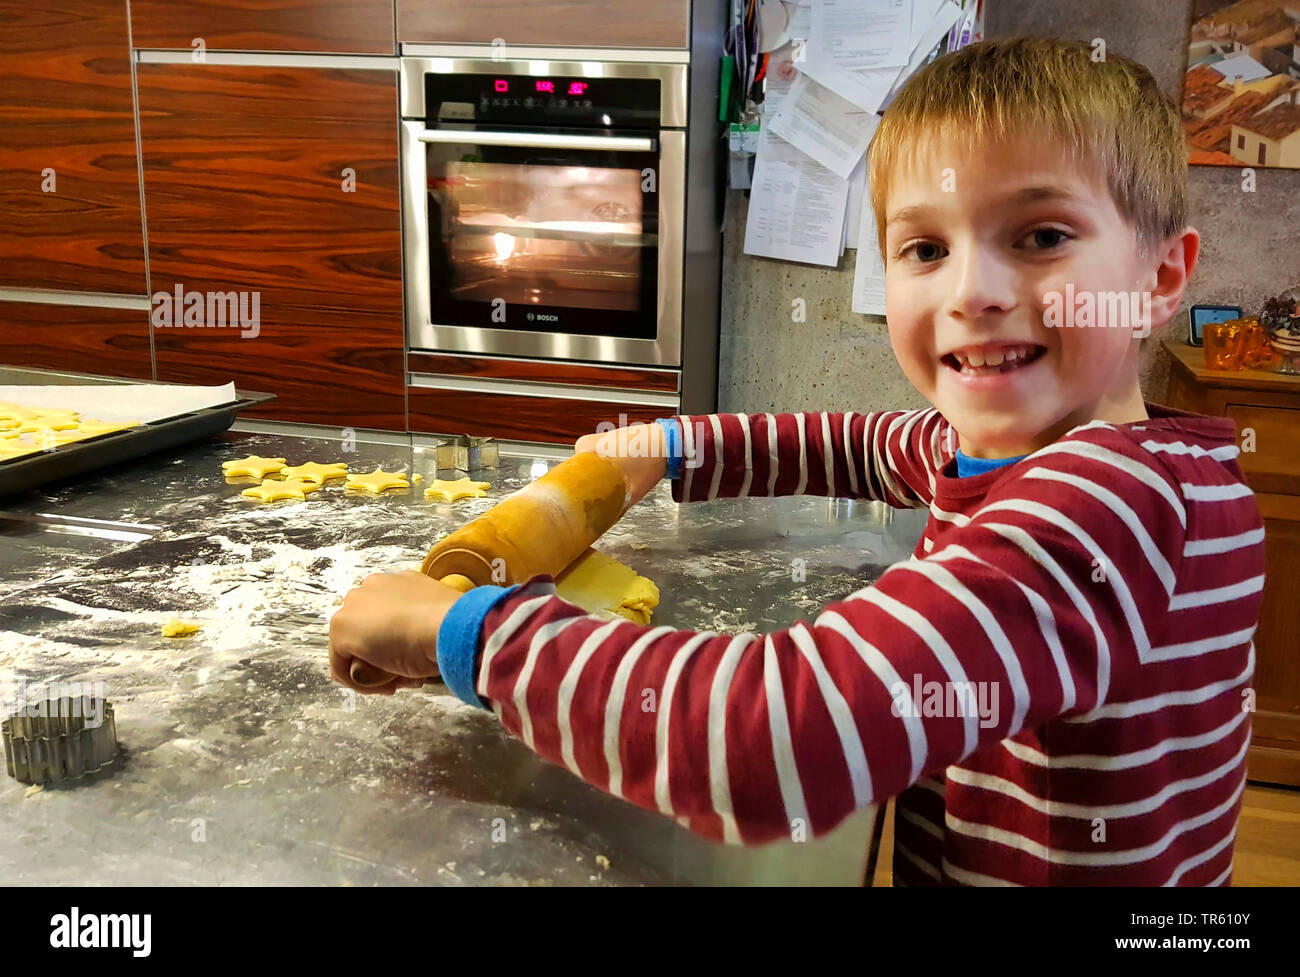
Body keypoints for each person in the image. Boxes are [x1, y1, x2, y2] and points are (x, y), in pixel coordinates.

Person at [329, 38, 1264, 885]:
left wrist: (464, 634)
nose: (974, 290)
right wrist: (670, 448)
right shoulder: (1040, 450)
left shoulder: (1106, 501)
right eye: (926, 247)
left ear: (1160, 279)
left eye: (1043, 236)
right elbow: (858, 445)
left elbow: (783, 741)